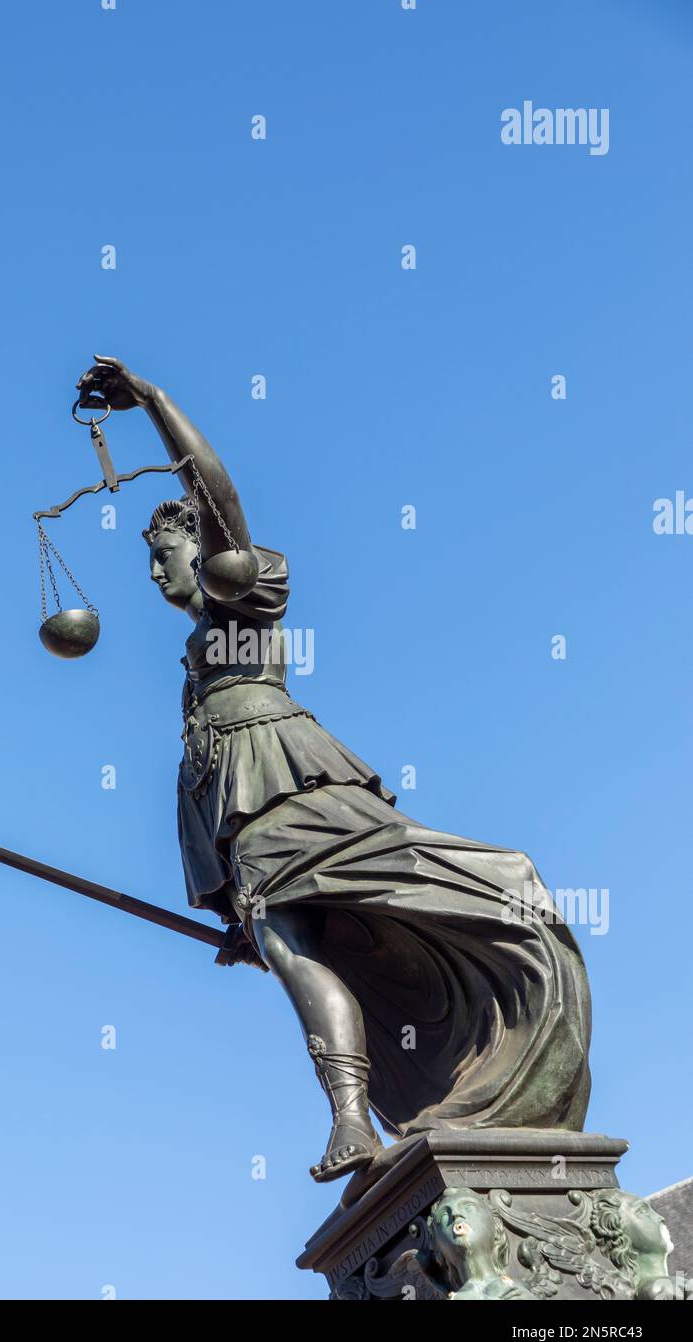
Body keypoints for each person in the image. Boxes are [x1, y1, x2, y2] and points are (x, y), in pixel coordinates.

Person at [76, 356, 593, 1185]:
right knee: (284, 940)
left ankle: (354, 1113)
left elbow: (218, 497)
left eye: (164, 553)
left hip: (286, 787)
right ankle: (353, 1121)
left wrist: (154, 404)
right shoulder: (195, 653)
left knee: (292, 933)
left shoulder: (241, 594)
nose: (154, 573)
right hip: (240, 812)